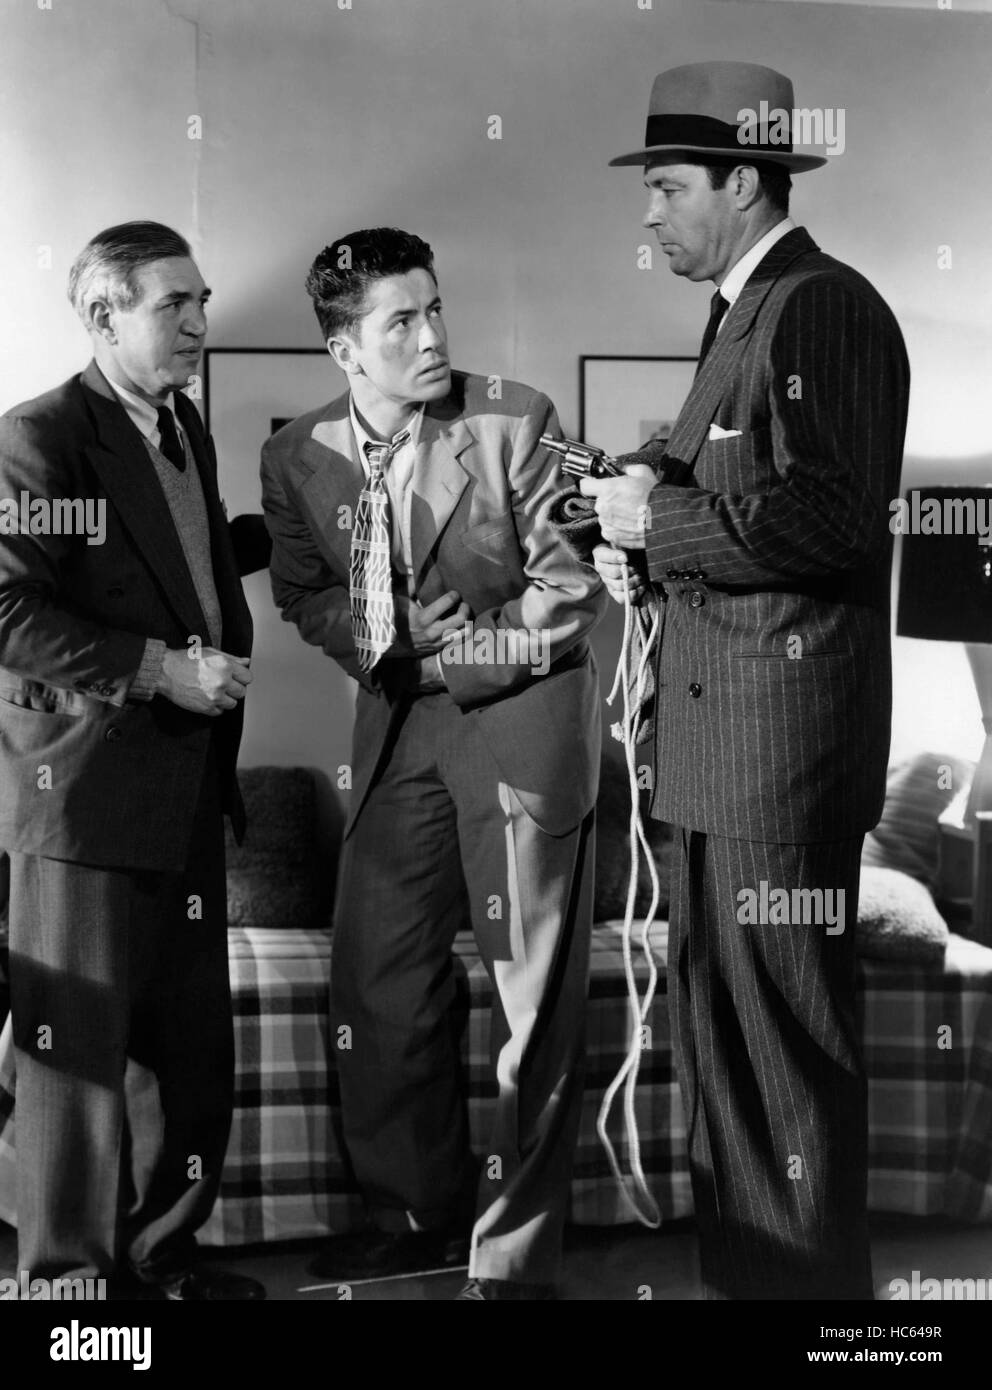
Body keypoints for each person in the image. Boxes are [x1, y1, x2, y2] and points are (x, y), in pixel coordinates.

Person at [583, 62, 910, 1300]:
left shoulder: (817, 307)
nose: (649, 213)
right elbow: (731, 493)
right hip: (725, 757)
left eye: (668, 186)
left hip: (776, 761)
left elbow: (829, 516)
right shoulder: (743, 312)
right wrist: (633, 510)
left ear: (742, 179)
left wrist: (653, 526)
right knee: (724, 1049)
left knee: (778, 1052)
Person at [261, 227, 606, 1300]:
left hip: (516, 728)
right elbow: (301, 590)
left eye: (435, 309)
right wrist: (385, 630)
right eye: (400, 321)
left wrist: (458, 649)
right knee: (380, 983)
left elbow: (571, 589)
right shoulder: (293, 456)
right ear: (343, 350)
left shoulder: (517, 418)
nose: (432, 337)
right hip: (395, 731)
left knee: (530, 1010)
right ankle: (412, 1215)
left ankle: (511, 1263)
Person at [0, 221, 266, 1300]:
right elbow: (10, 605)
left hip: (189, 786)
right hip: (86, 797)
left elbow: (167, 561)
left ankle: (160, 1257)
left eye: (201, 299)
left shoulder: (181, 424)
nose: (199, 323)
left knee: (185, 1044)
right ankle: (69, 1285)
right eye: (174, 305)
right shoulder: (41, 438)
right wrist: (160, 669)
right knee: (75, 1059)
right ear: (103, 317)